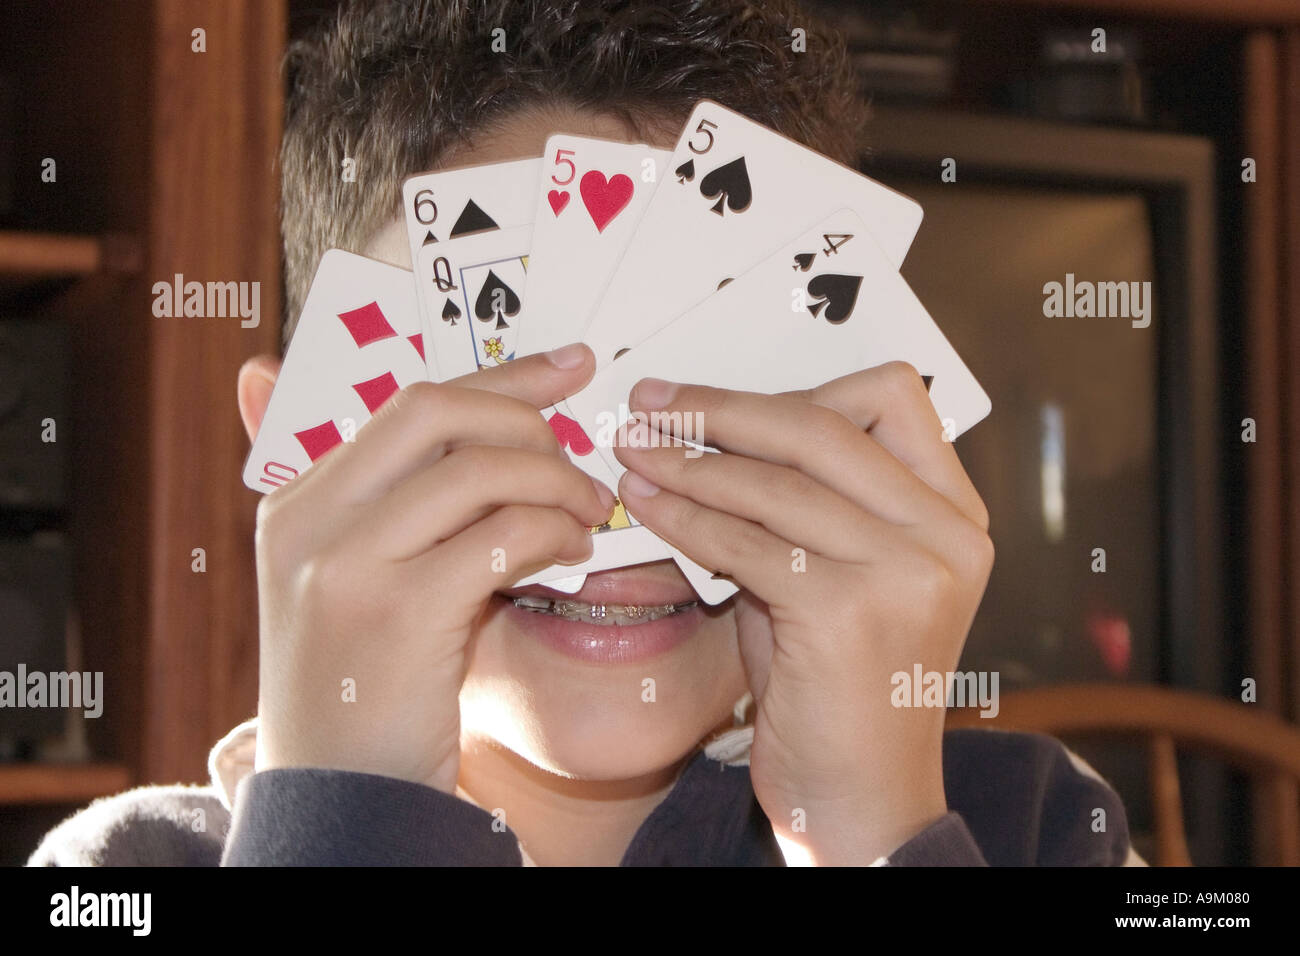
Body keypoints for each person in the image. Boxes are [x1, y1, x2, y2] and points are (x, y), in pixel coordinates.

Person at [31, 0, 1139, 867]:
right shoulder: (118, 866)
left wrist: (865, 830)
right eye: (496, 399)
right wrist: (349, 809)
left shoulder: (1039, 826)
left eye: (713, 403)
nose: (610, 508)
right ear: (303, 449)